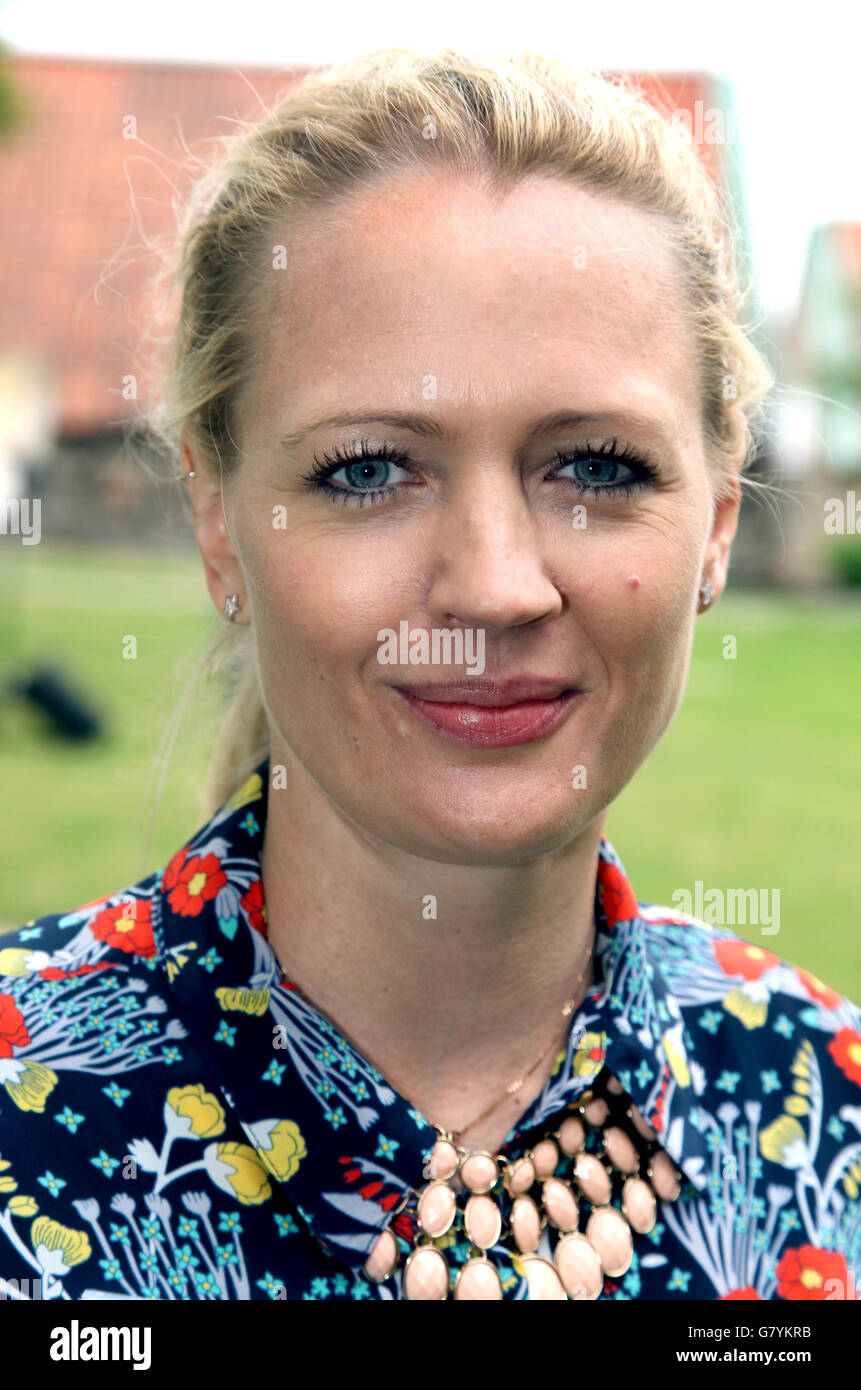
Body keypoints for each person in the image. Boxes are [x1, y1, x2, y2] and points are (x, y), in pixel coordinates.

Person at [2, 47, 859, 1303]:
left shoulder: (822, 1102)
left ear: (718, 521)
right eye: (368, 470)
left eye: (599, 467)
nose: (498, 586)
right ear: (214, 517)